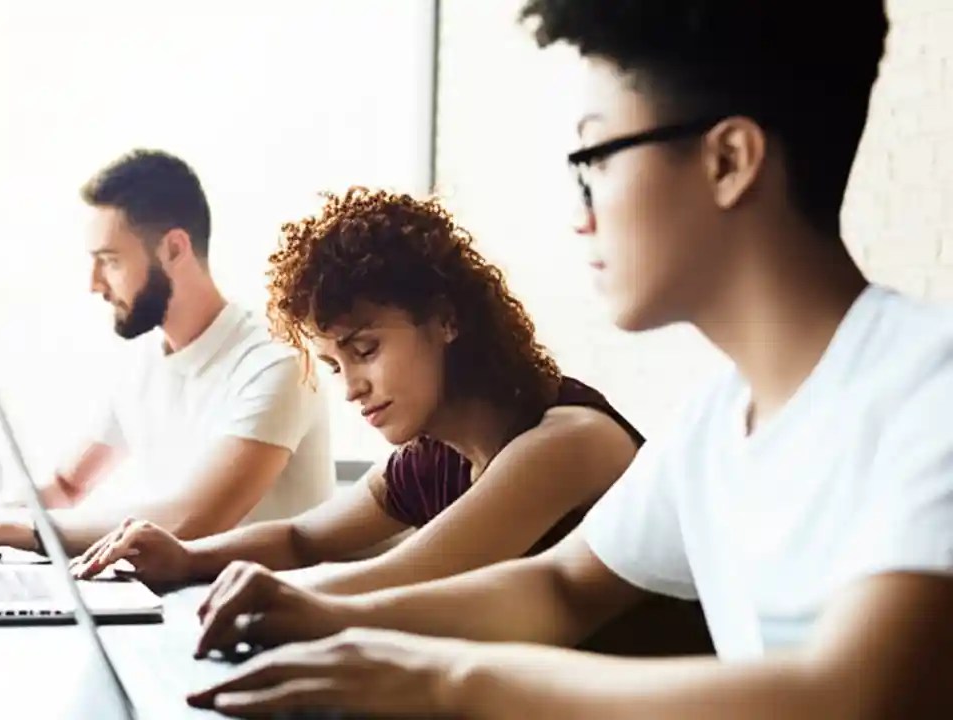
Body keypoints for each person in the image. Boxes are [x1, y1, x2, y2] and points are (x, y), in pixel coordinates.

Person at [185, 2, 953, 718]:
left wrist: (441, 675)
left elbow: (846, 695)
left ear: (728, 160)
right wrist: (329, 615)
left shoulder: (930, 389)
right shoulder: (716, 427)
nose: (580, 217)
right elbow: (559, 585)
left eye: (595, 160)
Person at [72, 187, 708, 654]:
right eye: (332, 362)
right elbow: (303, 538)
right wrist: (185, 558)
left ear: (446, 319)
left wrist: (284, 598)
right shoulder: (435, 455)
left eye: (366, 349)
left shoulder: (568, 440)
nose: (351, 387)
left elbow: (410, 574)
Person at [0, 149, 334, 555]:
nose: (95, 284)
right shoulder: (145, 364)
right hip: (186, 605)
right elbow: (67, 487)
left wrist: (10, 528)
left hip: (267, 622)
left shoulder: (275, 365)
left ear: (174, 248)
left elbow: (192, 522)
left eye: (110, 261)